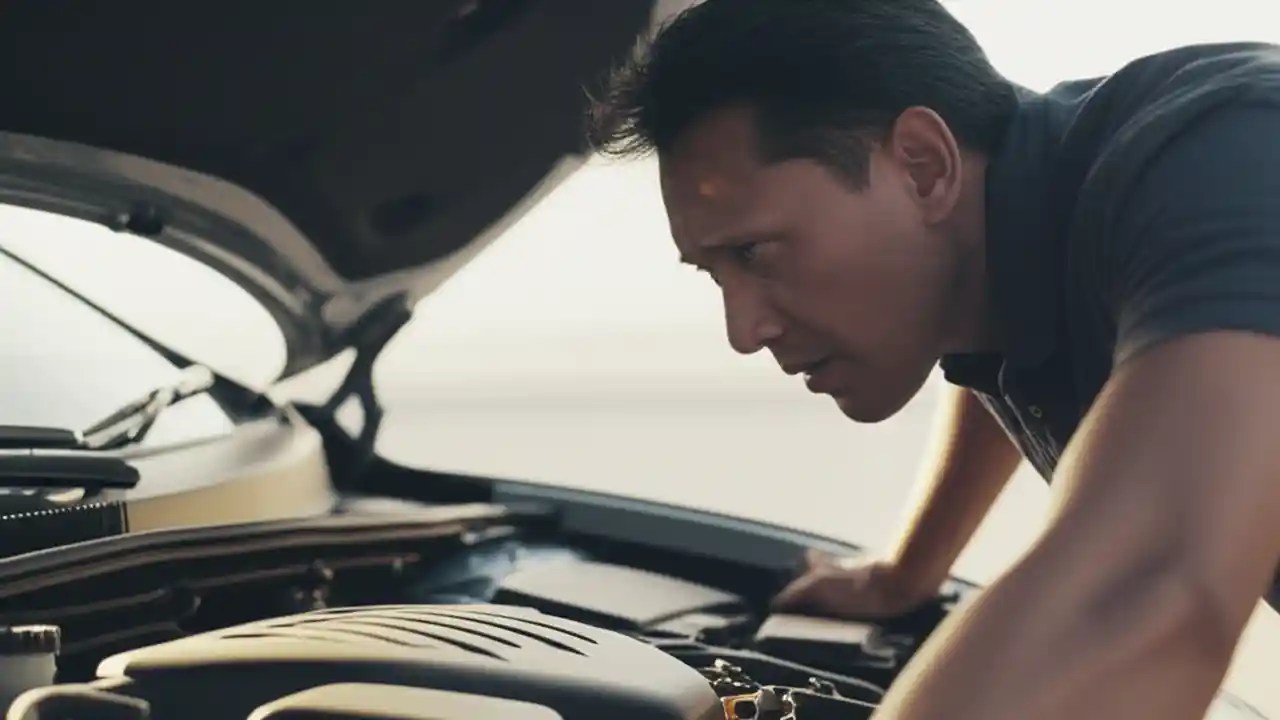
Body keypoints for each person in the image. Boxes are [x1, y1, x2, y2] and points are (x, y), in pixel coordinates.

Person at [585, 1, 1280, 718]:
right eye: (714, 273)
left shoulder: (1232, 156)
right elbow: (996, 333)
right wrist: (909, 571)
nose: (744, 329)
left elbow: (1150, 595)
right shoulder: (1025, 237)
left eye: (754, 252)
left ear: (922, 166)